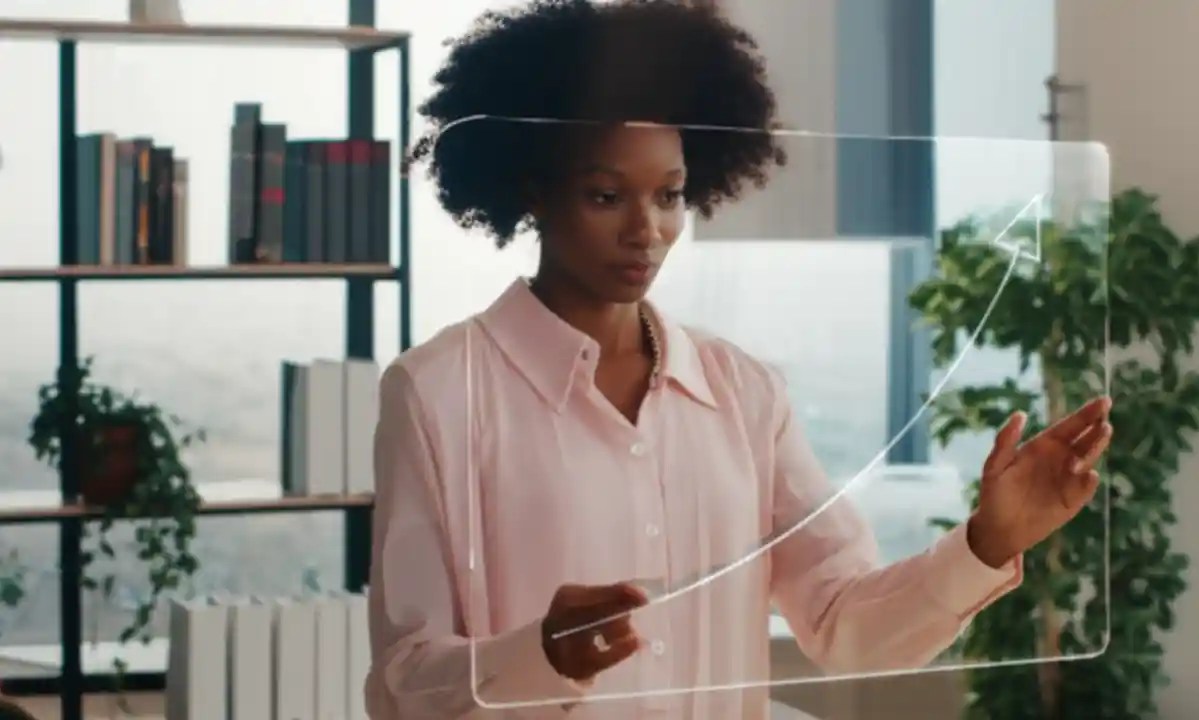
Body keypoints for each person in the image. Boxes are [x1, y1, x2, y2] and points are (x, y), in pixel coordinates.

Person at [367, 1, 1112, 718]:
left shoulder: (744, 393)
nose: (647, 230)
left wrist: (988, 542)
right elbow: (405, 681)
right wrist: (541, 656)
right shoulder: (438, 393)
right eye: (605, 196)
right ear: (533, 190)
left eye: (669, 195)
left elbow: (846, 625)